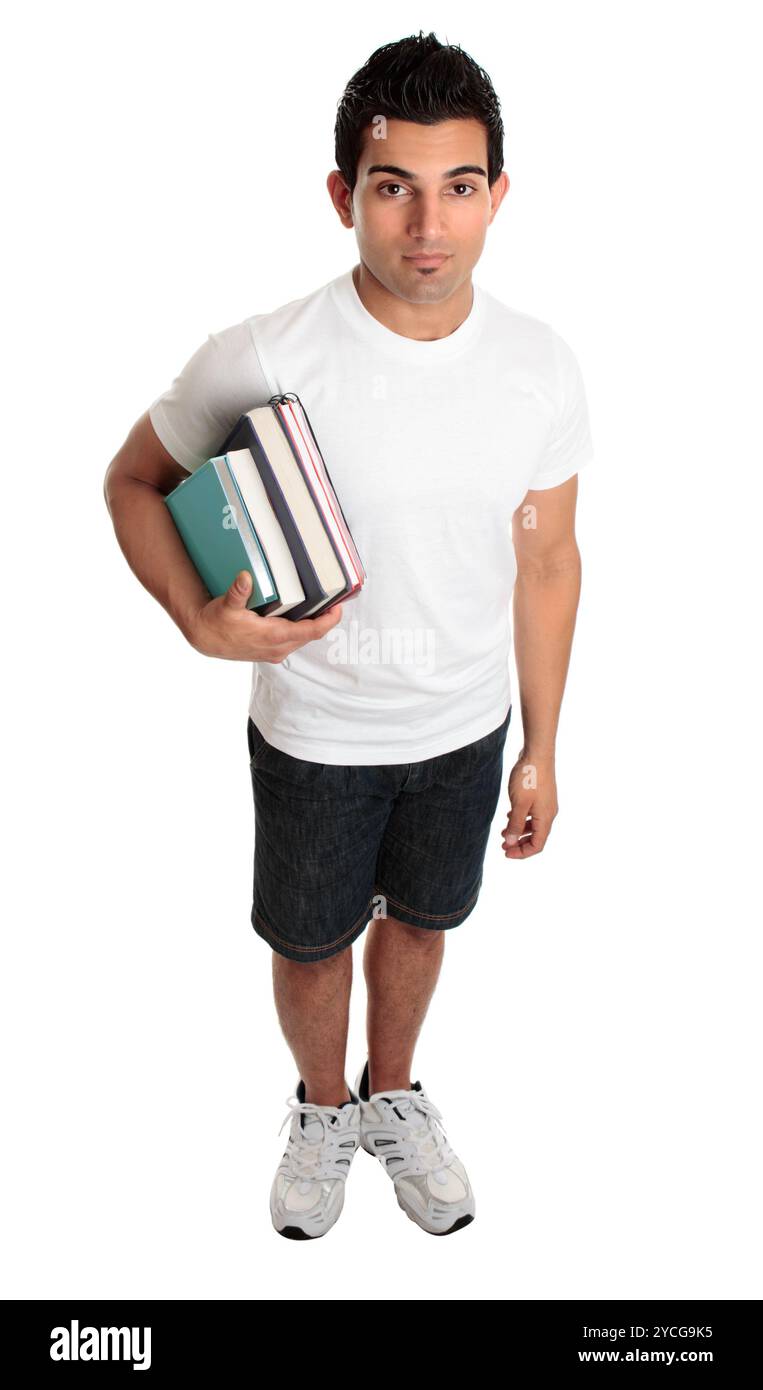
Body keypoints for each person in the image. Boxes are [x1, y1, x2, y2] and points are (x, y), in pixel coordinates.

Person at [103, 31, 594, 1241]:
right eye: (393, 187)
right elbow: (131, 481)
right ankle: (323, 1108)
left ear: (496, 196)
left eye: (458, 187)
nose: (427, 224)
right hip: (316, 732)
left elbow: (545, 558)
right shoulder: (266, 353)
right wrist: (196, 620)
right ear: (344, 196)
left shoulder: (538, 367)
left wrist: (540, 746)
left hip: (464, 731)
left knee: (424, 927)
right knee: (315, 941)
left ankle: (392, 1093)